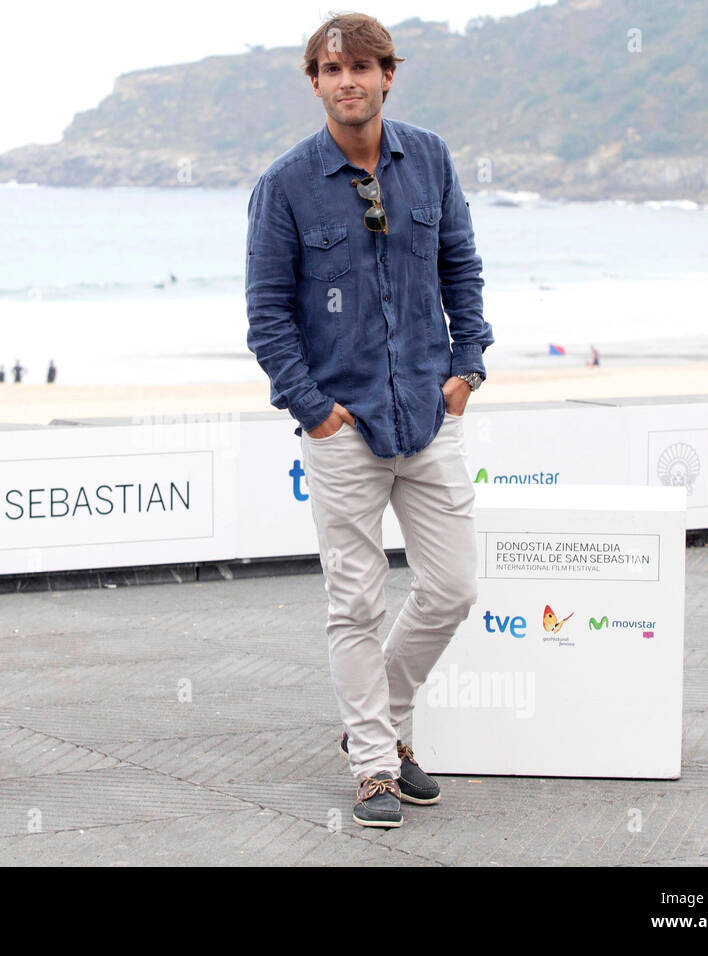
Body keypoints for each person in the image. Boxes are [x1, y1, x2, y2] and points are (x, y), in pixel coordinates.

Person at [245, 12, 493, 829]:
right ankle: (378, 768)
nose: (348, 80)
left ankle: (371, 726)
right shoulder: (284, 185)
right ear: (313, 82)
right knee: (355, 605)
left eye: (363, 67)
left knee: (453, 588)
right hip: (342, 428)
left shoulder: (432, 159)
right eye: (331, 68)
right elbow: (267, 314)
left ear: (389, 74)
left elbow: (461, 265)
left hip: (429, 411)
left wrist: (466, 371)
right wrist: (314, 412)